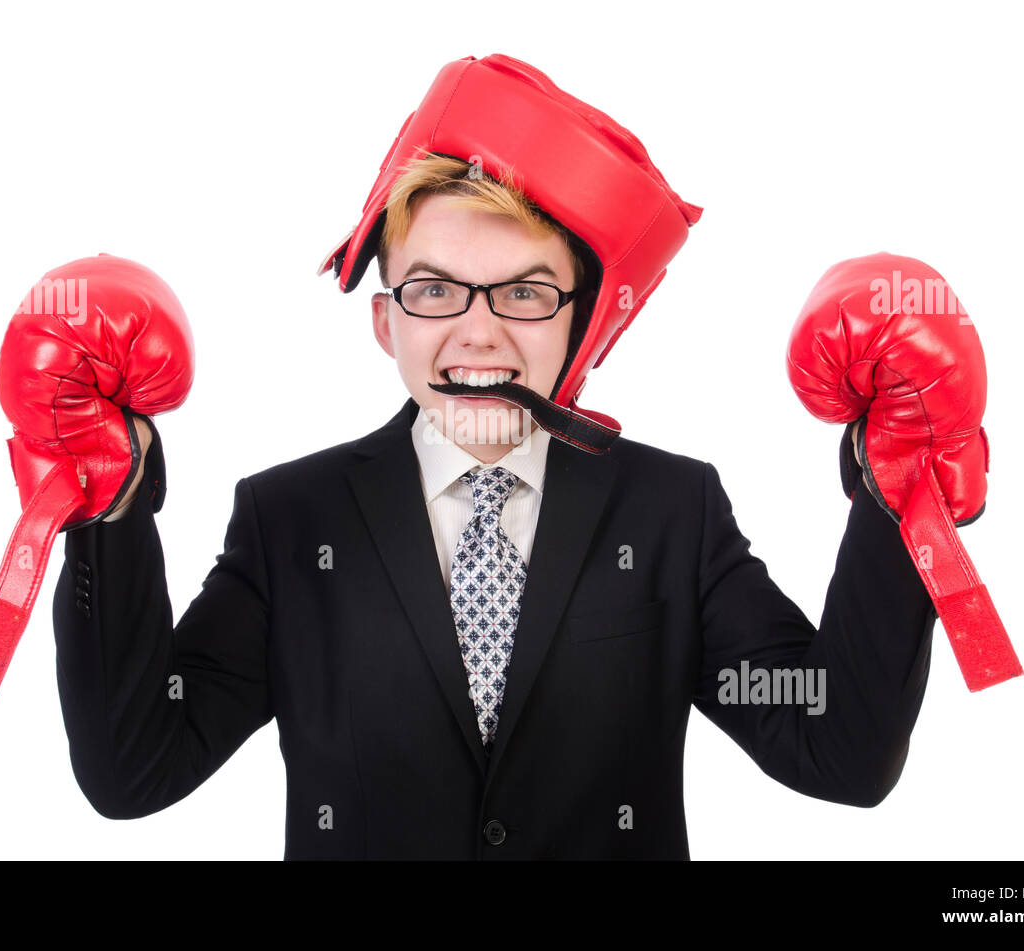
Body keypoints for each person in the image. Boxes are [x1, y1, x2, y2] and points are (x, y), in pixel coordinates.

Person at [51, 55, 936, 859]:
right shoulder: (291, 521)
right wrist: (107, 508)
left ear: (578, 322)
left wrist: (897, 488)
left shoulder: (672, 510)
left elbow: (842, 751)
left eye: (523, 291)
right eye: (435, 290)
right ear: (385, 318)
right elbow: (134, 770)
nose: (478, 332)